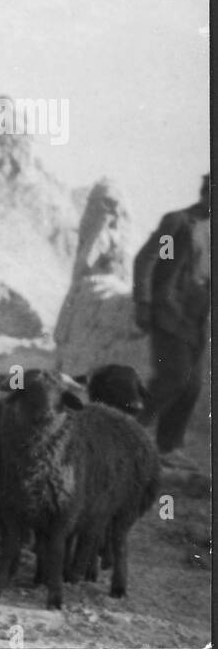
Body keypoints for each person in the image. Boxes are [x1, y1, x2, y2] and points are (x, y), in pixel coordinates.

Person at [132, 173, 211, 456]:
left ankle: (167, 449)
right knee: (174, 377)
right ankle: (129, 433)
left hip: (196, 318)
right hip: (168, 312)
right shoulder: (178, 222)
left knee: (192, 387)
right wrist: (143, 302)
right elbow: (147, 259)